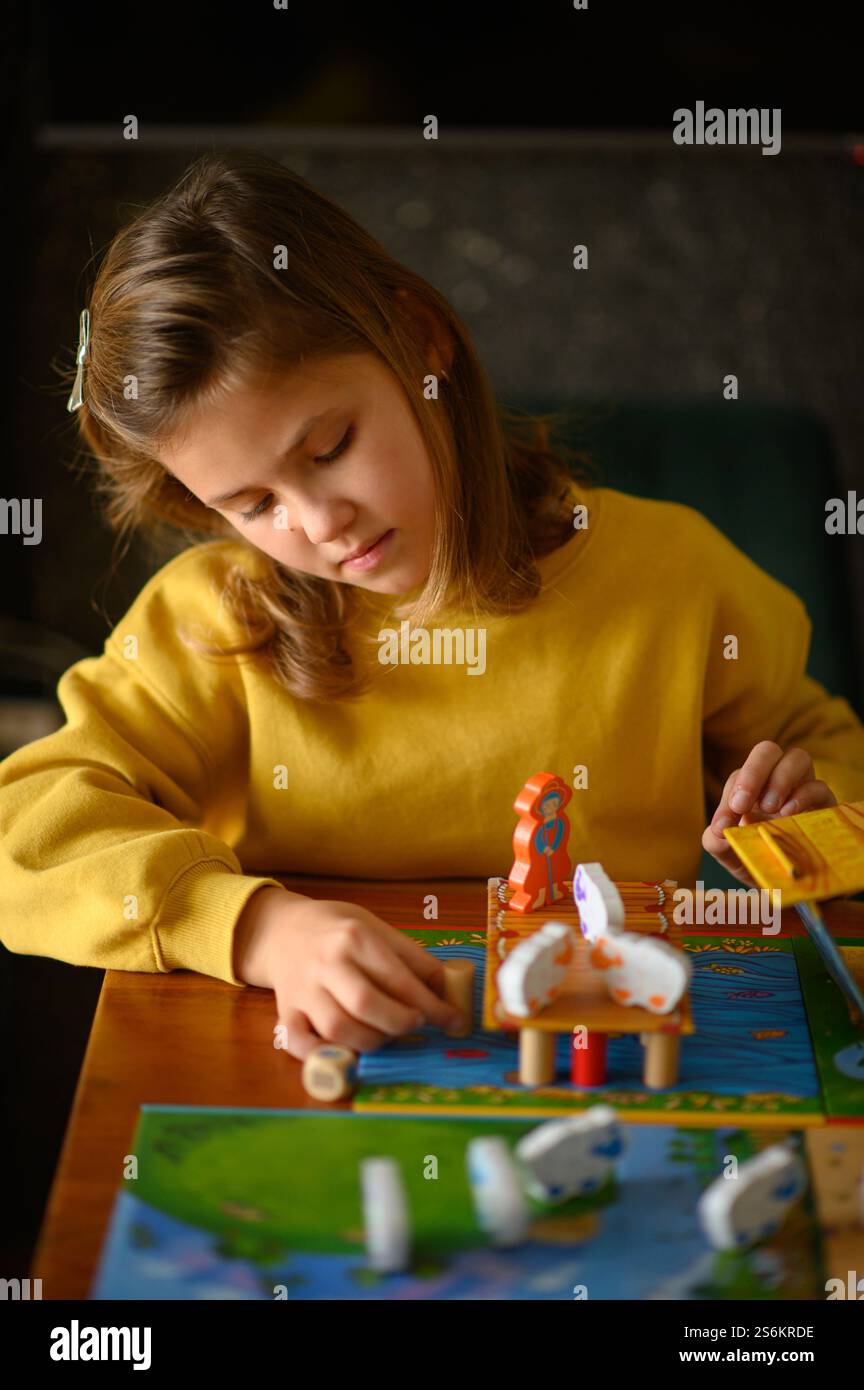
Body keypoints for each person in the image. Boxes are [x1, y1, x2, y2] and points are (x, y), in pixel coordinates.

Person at [3, 152, 864, 1061]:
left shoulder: (675, 575)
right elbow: (30, 834)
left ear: (419, 340)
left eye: (331, 445)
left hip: (606, 1048)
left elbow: (835, 765)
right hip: (318, 1061)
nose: (321, 522)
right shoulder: (211, 619)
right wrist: (258, 930)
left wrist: (802, 823)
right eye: (254, 506)